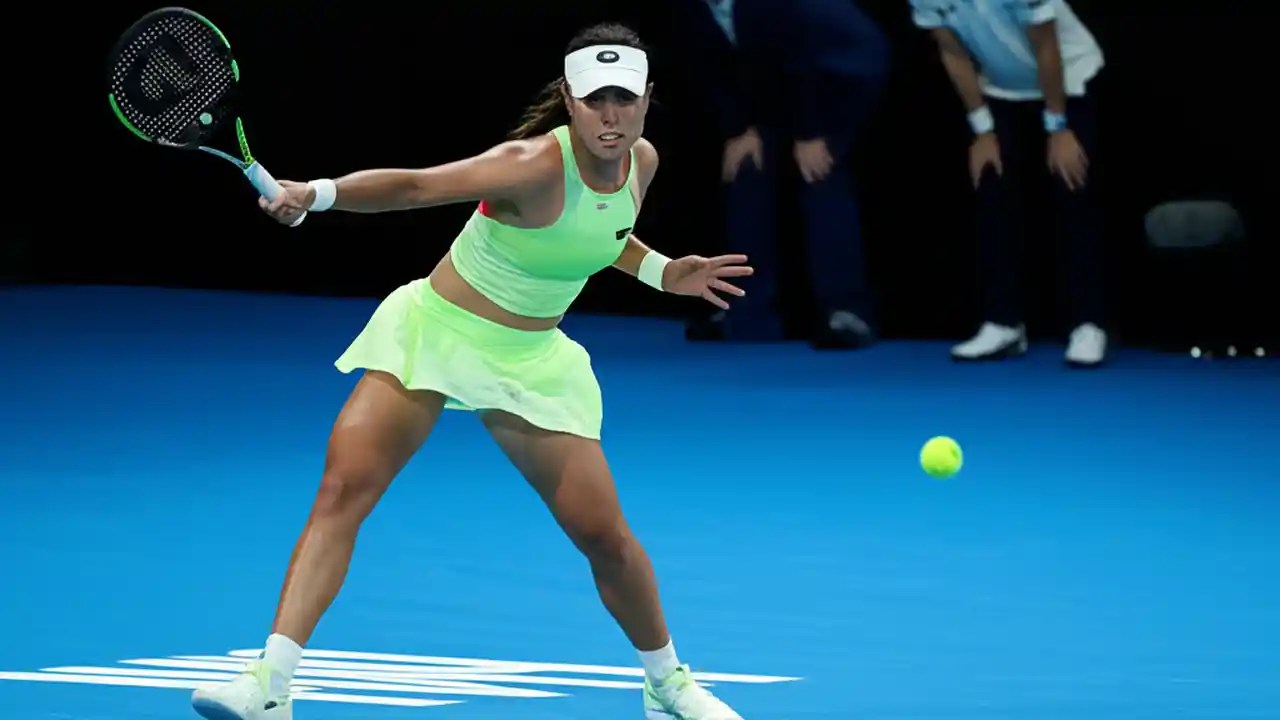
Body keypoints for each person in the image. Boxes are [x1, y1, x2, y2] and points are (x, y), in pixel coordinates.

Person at [189, 22, 753, 720]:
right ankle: (269, 684)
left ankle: (667, 684)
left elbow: (600, 236)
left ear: (647, 100)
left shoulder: (642, 162)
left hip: (532, 362)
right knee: (343, 491)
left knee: (604, 537)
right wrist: (321, 194)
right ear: (570, 102)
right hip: (438, 335)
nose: (611, 116)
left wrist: (665, 271)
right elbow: (417, 187)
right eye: (595, 100)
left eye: (625, 100)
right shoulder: (528, 164)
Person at [674, 0, 889, 349]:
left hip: (842, 70)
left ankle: (848, 311)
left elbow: (802, 57)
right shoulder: (689, 8)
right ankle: (748, 312)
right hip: (779, 78)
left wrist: (810, 133)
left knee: (820, 174)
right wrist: (742, 128)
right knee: (746, 170)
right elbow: (711, 65)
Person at [910, 0, 1109, 366]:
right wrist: (983, 129)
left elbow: (1046, 46)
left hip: (1069, 76)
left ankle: (1088, 323)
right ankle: (1004, 323)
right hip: (1002, 88)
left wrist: (1059, 127)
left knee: (1071, 189)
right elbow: (952, 52)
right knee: (992, 190)